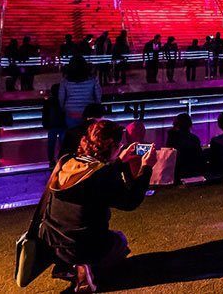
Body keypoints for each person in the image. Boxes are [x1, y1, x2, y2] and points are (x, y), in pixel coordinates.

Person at [38, 119, 156, 292]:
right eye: (119, 143)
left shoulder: (68, 162)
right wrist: (146, 167)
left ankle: (67, 265)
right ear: (112, 146)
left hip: (52, 242)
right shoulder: (102, 175)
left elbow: (93, 177)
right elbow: (131, 201)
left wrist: (119, 162)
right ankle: (87, 268)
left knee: (80, 235)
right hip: (82, 246)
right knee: (120, 241)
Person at [60, 56, 103, 130]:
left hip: (71, 111)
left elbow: (61, 97)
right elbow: (98, 95)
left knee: (73, 135)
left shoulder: (65, 81)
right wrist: (97, 105)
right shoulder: (92, 79)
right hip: (89, 112)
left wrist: (63, 108)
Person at [165, 113, 204, 182]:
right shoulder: (194, 139)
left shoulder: (172, 139)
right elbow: (200, 159)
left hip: (176, 176)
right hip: (193, 175)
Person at [42, 84, 65, 165]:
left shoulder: (48, 101)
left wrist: (45, 124)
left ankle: (51, 160)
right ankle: (62, 158)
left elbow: (45, 114)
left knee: (51, 143)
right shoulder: (63, 100)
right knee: (62, 143)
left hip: (52, 125)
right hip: (62, 125)